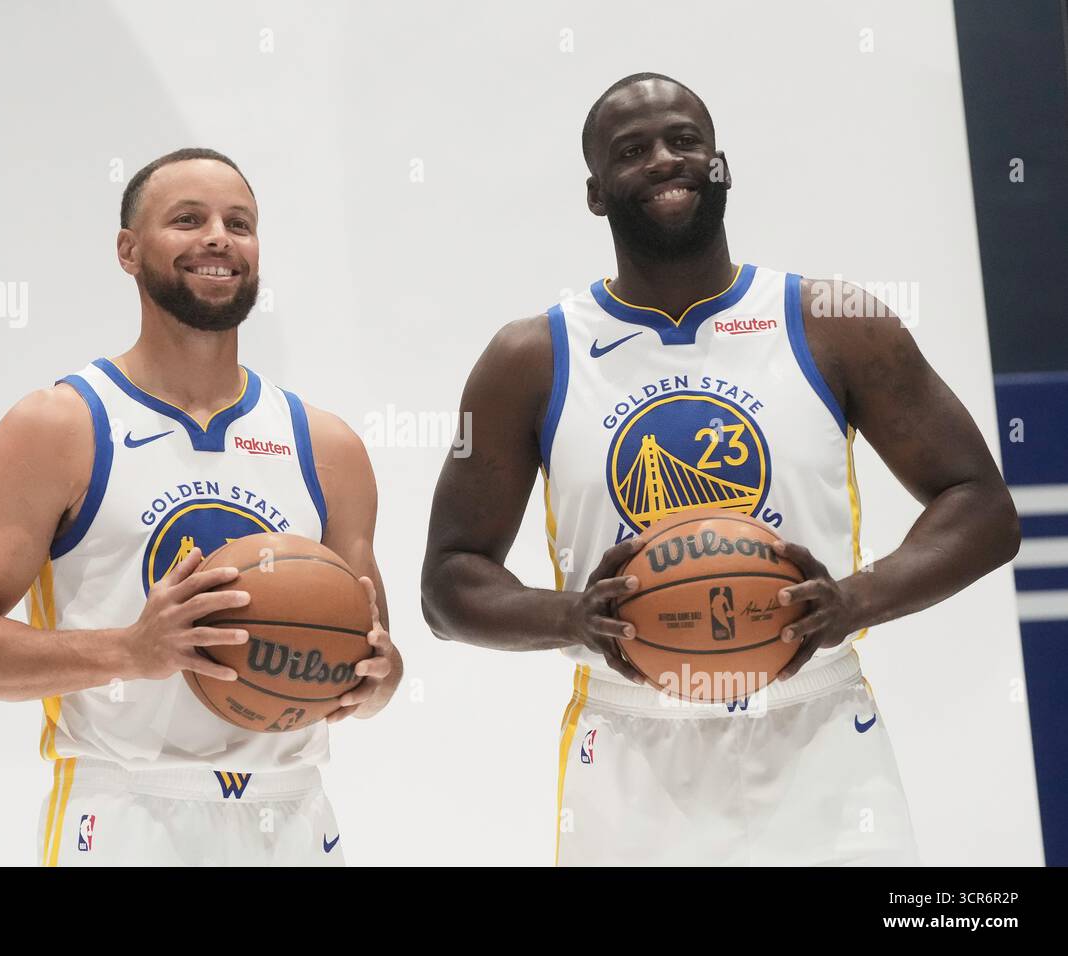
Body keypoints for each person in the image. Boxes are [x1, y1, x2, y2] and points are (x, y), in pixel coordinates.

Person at [420, 74, 1019, 866]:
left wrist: (855, 599)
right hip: (632, 743)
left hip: (816, 729)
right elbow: (447, 585)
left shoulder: (832, 322)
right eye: (633, 151)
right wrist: (573, 619)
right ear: (597, 193)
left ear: (720, 163)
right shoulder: (527, 358)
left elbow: (982, 507)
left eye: (684, 141)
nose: (665, 160)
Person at [0, 148, 401, 866]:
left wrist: (379, 677)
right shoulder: (59, 427)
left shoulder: (325, 445)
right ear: (128, 250)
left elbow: (374, 668)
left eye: (240, 222)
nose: (218, 237)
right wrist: (129, 651)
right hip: (128, 815)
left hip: (294, 816)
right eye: (187, 219)